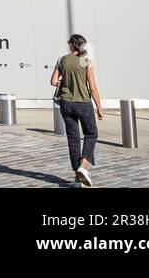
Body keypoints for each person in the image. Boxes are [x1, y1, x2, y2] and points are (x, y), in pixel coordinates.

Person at [51, 33, 104, 187]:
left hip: (66, 104)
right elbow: (92, 88)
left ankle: (77, 179)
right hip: (84, 103)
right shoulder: (86, 60)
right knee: (91, 134)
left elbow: (53, 81)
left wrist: (66, 81)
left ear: (72, 45)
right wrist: (99, 108)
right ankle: (83, 168)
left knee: (73, 139)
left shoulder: (62, 60)